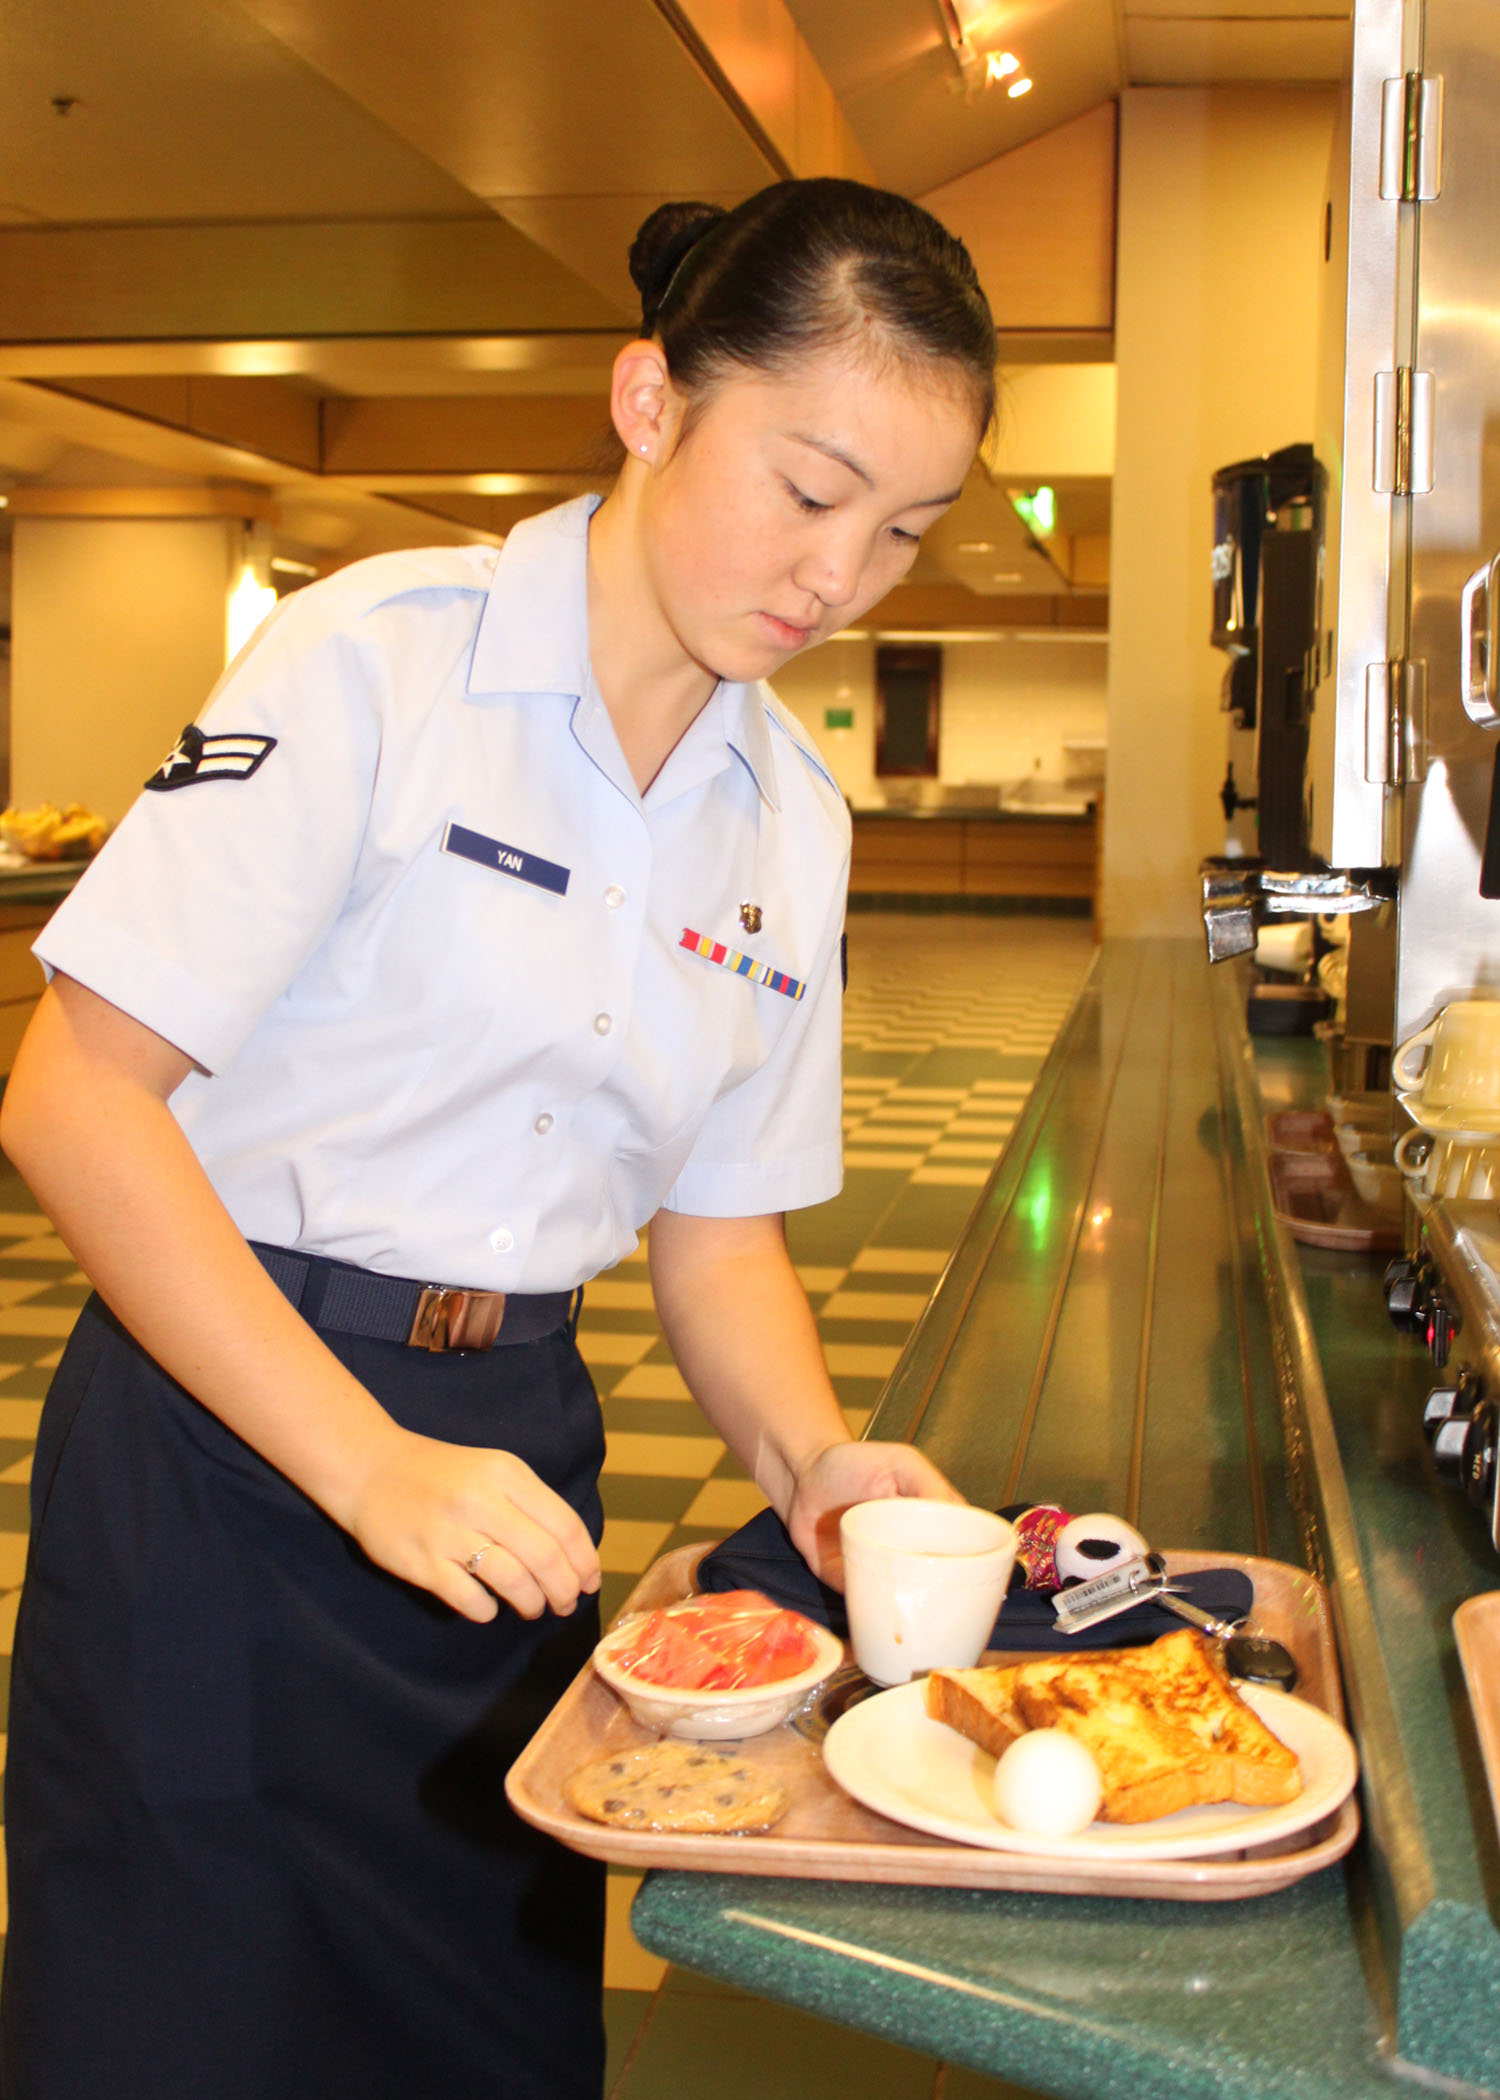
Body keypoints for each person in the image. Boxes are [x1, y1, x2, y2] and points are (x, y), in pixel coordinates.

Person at [0, 177, 997, 2099]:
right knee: (177, 2034)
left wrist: (816, 1460)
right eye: (809, 489)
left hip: (515, 1472)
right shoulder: (376, 662)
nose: (839, 576)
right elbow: (73, 1098)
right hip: (229, 1452)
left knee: (493, 2040)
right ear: (650, 402)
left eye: (902, 534)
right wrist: (368, 1465)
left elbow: (716, 1237)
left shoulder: (792, 813)